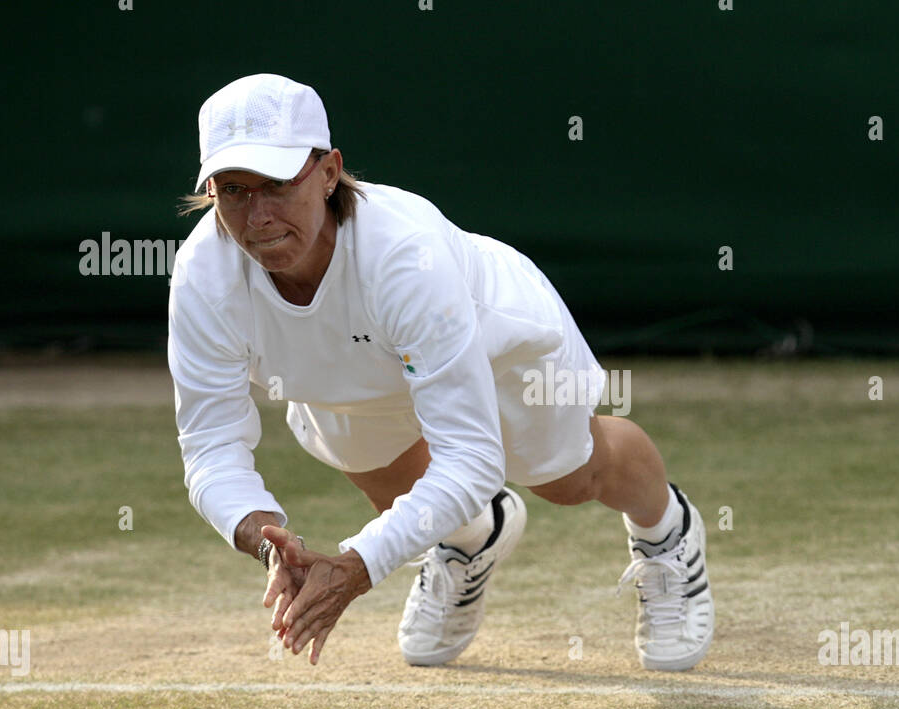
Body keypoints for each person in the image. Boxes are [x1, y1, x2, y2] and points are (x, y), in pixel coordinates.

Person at [168, 74, 714, 671]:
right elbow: (211, 445)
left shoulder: (404, 256)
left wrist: (358, 565)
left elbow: (473, 458)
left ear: (328, 172)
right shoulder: (203, 273)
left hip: (497, 346)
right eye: (234, 191)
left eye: (276, 184)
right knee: (381, 470)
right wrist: (263, 538)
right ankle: (471, 538)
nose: (259, 216)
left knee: (567, 477)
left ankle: (668, 534)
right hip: (356, 379)